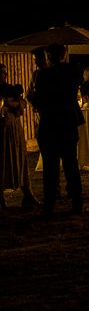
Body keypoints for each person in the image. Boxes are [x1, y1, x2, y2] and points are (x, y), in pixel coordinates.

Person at [30, 43, 84, 218]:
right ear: (64, 53)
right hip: (68, 121)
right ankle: (77, 202)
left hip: (50, 123)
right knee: (71, 165)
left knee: (50, 167)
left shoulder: (44, 75)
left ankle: (49, 206)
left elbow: (40, 102)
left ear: (49, 56)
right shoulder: (74, 71)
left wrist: (32, 97)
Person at [0, 63, 39, 208]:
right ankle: (1, 200)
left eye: (5, 72)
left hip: (14, 128)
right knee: (3, 160)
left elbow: (21, 105)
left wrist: (13, 104)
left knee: (20, 159)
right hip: (2, 130)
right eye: (1, 73)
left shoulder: (10, 88)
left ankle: (28, 194)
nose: (4, 75)